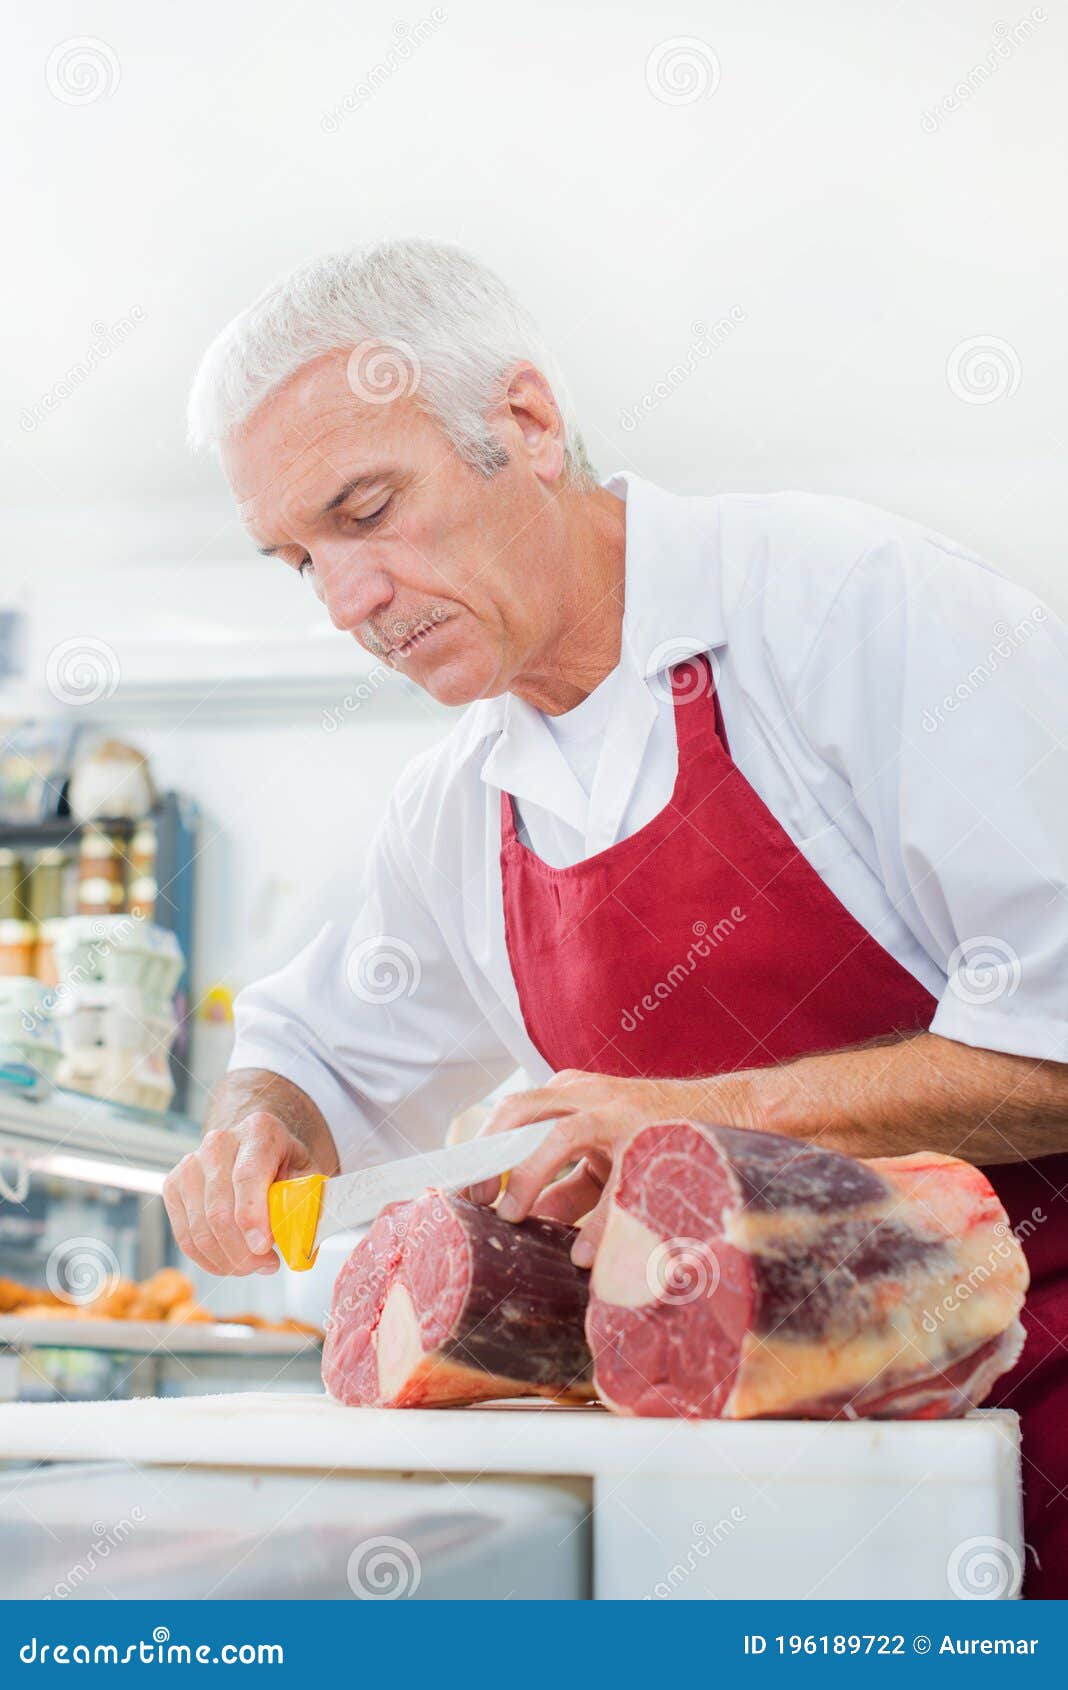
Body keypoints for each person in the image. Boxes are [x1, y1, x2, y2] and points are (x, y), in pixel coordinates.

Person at [165, 239, 1068, 1594]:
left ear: (525, 424)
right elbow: (320, 1052)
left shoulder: (849, 609)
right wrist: (260, 1127)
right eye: (299, 558)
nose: (348, 602)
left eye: (368, 508)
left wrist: (690, 1113)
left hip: (1036, 1430)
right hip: (746, 1514)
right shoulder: (461, 805)